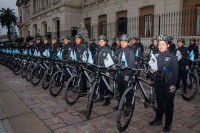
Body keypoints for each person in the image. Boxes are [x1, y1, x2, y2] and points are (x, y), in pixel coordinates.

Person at [149, 34, 179, 132]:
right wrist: (152, 70)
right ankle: (158, 119)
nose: (160, 46)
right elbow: (154, 68)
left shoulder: (172, 57)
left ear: (168, 45)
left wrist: (173, 86)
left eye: (163, 44)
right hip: (158, 83)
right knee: (159, 103)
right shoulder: (156, 55)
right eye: (159, 44)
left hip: (169, 84)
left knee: (169, 104)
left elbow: (175, 74)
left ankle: (168, 124)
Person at [113, 34, 135, 110]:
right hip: (119, 72)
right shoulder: (118, 50)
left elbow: (131, 66)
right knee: (120, 89)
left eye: (124, 42)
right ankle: (120, 104)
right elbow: (115, 59)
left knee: (127, 90)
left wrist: (127, 69)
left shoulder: (130, 52)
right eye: (121, 42)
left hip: (126, 73)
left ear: (128, 43)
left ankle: (128, 106)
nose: (122, 43)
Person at [93, 35, 114, 106]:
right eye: (100, 41)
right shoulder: (97, 49)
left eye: (102, 41)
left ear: (105, 42)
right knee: (100, 84)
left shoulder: (108, 49)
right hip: (98, 69)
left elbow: (110, 61)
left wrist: (107, 70)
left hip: (105, 70)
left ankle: (107, 99)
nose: (101, 42)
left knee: (105, 84)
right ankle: (101, 96)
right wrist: (94, 66)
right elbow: (95, 58)